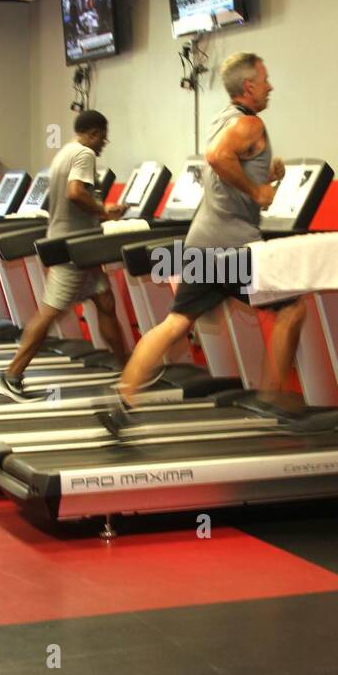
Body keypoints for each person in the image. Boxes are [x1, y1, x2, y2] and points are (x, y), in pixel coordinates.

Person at [98, 53, 297, 434]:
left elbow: (229, 160)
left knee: (175, 323)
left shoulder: (225, 118)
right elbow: (217, 157)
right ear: (250, 86)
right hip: (234, 247)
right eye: (266, 79)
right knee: (293, 310)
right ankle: (273, 402)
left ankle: (123, 394)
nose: (270, 86)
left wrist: (265, 173)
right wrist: (257, 189)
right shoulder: (251, 122)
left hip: (202, 240)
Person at [0, 110, 129, 397]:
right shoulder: (84, 154)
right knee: (50, 312)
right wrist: (104, 211)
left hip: (81, 246)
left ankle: (128, 369)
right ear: (93, 133)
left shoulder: (63, 153)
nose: (104, 143)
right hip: (74, 249)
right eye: (103, 138)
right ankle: (12, 373)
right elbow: (75, 192)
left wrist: (101, 213)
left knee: (105, 302)